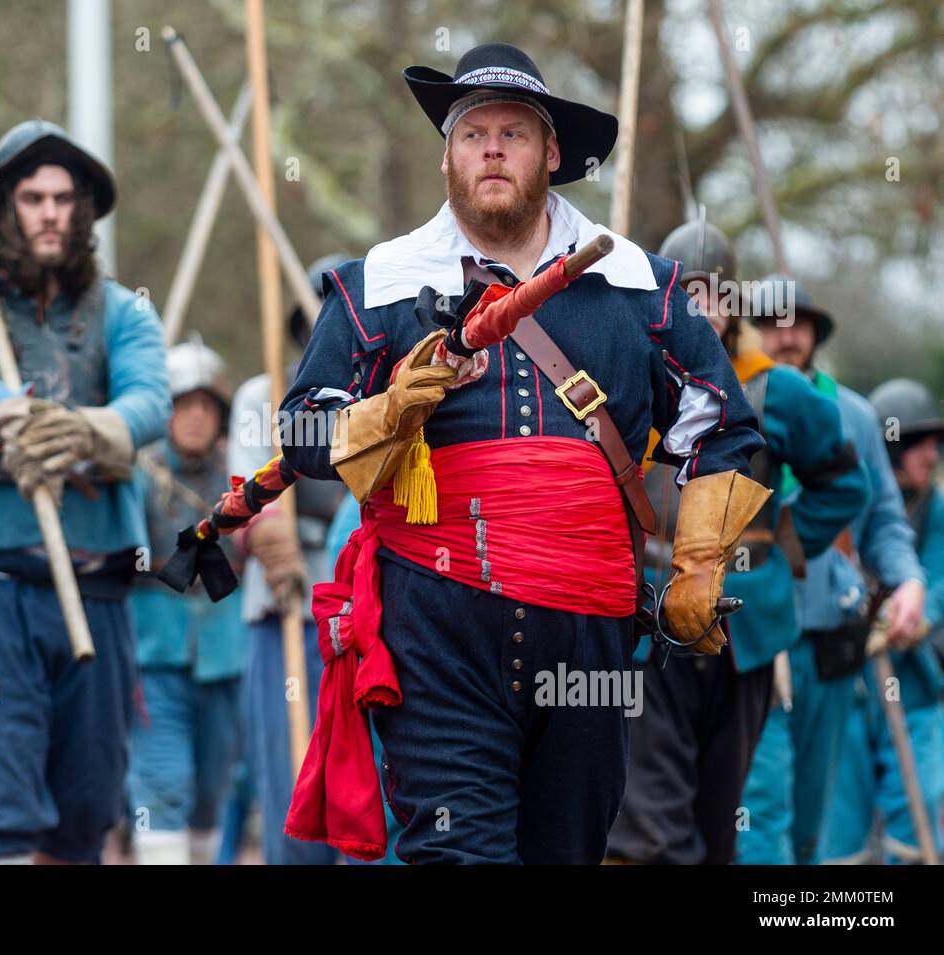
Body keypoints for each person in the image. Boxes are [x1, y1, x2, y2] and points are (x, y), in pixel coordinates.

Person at [279, 42, 770, 863]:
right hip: (434, 635)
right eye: (475, 133)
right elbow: (298, 433)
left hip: (591, 637)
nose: (494, 148)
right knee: (459, 852)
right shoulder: (379, 284)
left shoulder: (640, 282)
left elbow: (722, 421)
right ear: (448, 158)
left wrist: (695, 568)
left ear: (552, 155)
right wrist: (383, 415)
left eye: (515, 132)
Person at [0, 119, 170, 864]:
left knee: (85, 813)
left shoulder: (125, 311)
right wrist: (11, 417)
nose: (52, 211)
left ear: (84, 210)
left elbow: (148, 400)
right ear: (7, 210)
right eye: (33, 197)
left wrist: (90, 432)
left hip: (95, 586)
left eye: (65, 197)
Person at [606, 222, 869, 864]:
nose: (698, 308)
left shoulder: (777, 390)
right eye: (683, 292)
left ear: (733, 307)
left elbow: (843, 486)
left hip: (743, 627)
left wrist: (771, 549)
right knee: (650, 829)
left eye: (713, 295)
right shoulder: (619, 374)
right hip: (647, 621)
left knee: (723, 825)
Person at [737, 278, 923, 864]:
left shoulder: (857, 417)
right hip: (755, 637)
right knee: (761, 806)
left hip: (831, 640)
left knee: (813, 816)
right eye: (771, 322)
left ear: (815, 333)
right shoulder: (727, 400)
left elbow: (885, 522)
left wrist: (909, 582)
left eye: (798, 323)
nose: (785, 334)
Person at [227, 255, 348, 865]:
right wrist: (276, 549)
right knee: (291, 778)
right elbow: (247, 496)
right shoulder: (266, 393)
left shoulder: (381, 397)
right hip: (287, 612)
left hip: (358, 621)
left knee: (360, 793)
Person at [127, 340, 245, 865]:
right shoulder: (136, 473)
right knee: (161, 781)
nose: (195, 416)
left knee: (212, 787)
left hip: (225, 651)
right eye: (183, 404)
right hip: (154, 650)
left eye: (205, 406)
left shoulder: (242, 476)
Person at [822, 378, 944, 863]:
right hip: (848, 685)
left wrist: (915, 615)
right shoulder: (853, 500)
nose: (931, 455)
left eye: (935, 444)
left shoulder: (936, 510)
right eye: (919, 444)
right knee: (838, 820)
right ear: (892, 447)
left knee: (922, 803)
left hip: (912, 684)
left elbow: (937, 579)